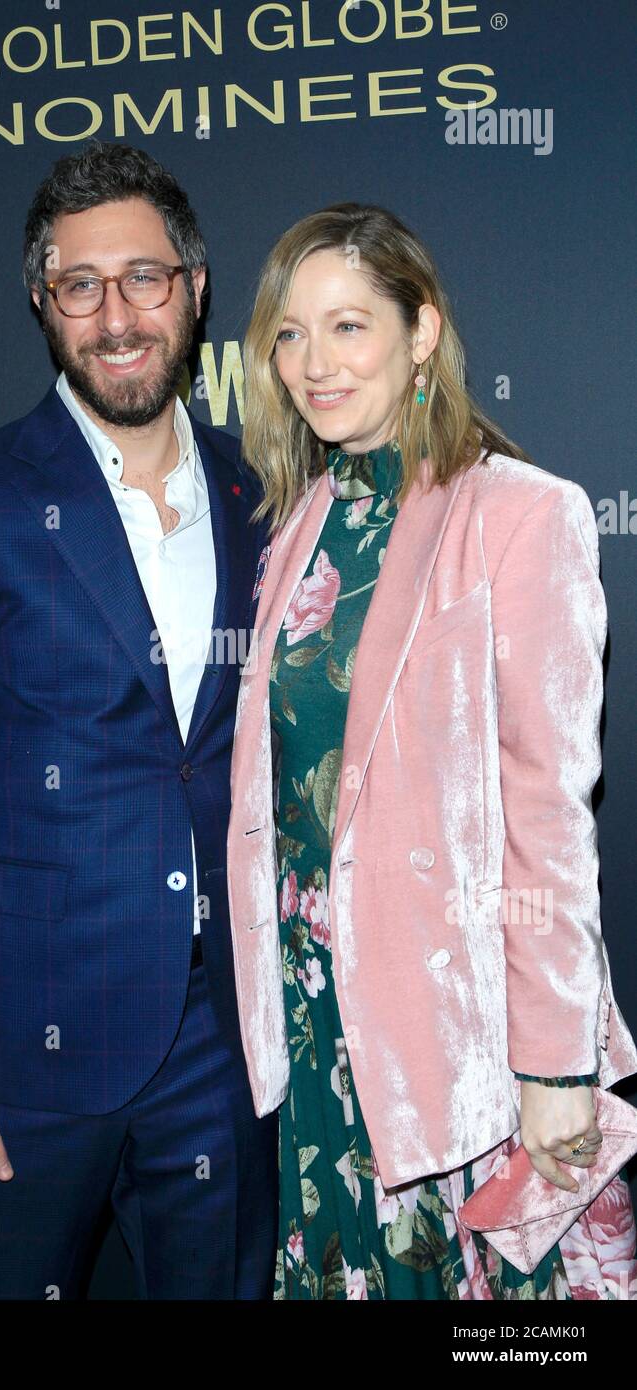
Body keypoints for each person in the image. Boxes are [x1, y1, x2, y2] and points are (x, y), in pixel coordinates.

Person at [0, 139, 278, 1300]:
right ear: (43, 306)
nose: (115, 316)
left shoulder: (262, 495)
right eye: (78, 285)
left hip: (222, 1043)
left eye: (142, 278)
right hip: (18, 1056)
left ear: (193, 292)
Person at [225, 201, 637, 1299]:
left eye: (347, 326)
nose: (312, 362)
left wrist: (554, 1063)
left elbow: (548, 811)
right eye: (289, 332)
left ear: (420, 334)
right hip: (325, 1028)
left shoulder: (517, 514)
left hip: (465, 1047)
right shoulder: (302, 521)